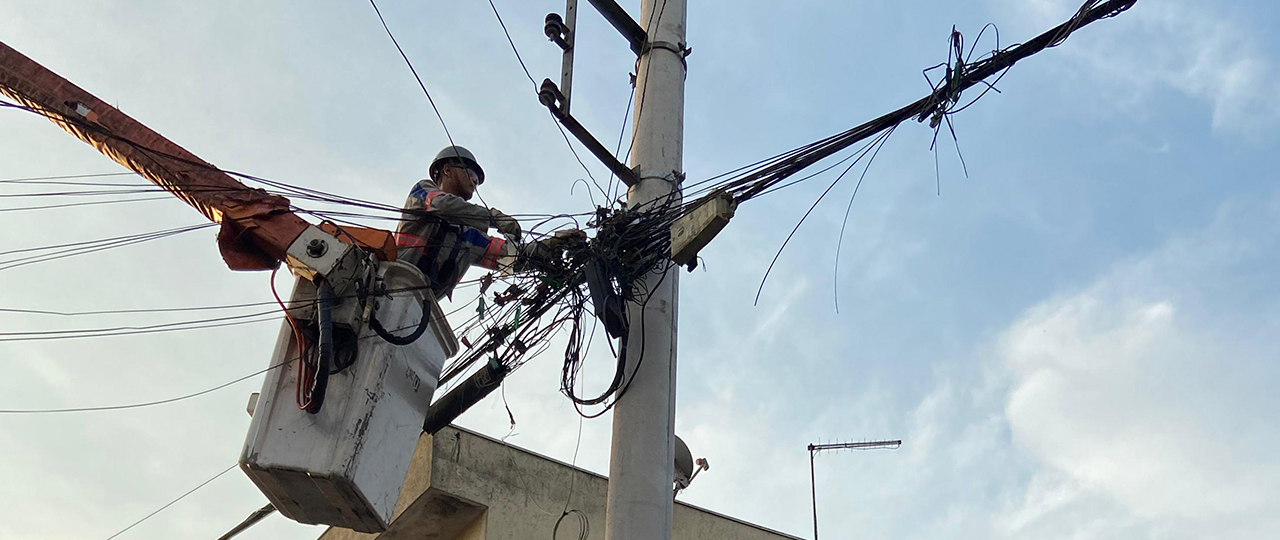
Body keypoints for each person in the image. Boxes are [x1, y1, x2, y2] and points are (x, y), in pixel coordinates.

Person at [396, 146, 523, 298]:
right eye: (470, 173)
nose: (475, 181)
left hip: (421, 308)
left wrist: (549, 247)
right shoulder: (423, 190)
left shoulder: (469, 235)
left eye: (477, 179)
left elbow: (509, 256)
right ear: (447, 170)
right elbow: (443, 205)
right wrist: (494, 218)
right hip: (392, 283)